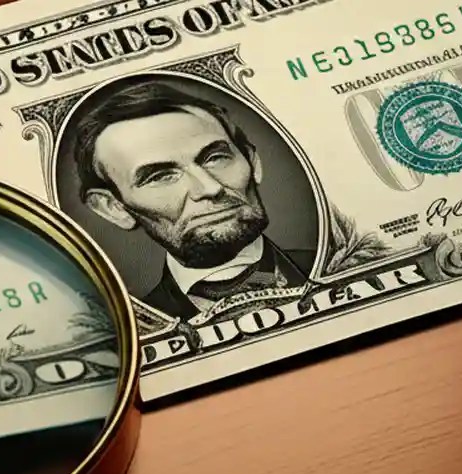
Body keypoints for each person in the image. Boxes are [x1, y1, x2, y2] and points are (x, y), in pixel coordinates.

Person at [72, 79, 313, 321]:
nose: (210, 187)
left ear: (252, 162)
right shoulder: (136, 328)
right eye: (161, 176)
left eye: (216, 158)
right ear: (114, 208)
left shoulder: (334, 264)